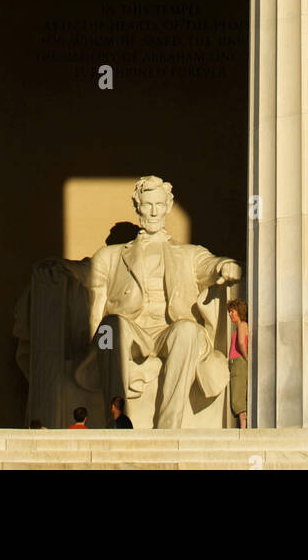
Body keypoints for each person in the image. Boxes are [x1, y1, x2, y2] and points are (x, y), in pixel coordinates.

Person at [81, 175, 242, 429]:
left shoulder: (189, 254)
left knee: (188, 329)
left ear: (168, 206)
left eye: (159, 205)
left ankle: (169, 426)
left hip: (171, 332)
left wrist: (225, 265)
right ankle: (117, 421)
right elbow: (83, 274)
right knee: (110, 328)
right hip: (133, 332)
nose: (154, 211)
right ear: (137, 207)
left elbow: (210, 265)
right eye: (147, 205)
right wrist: (53, 269)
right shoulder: (110, 256)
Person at [227, 299, 249, 429]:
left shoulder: (242, 325)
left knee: (238, 397)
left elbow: (241, 342)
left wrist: (246, 357)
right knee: (237, 396)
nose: (230, 314)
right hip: (236, 363)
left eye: (232, 311)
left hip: (238, 363)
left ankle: (243, 427)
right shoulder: (239, 326)